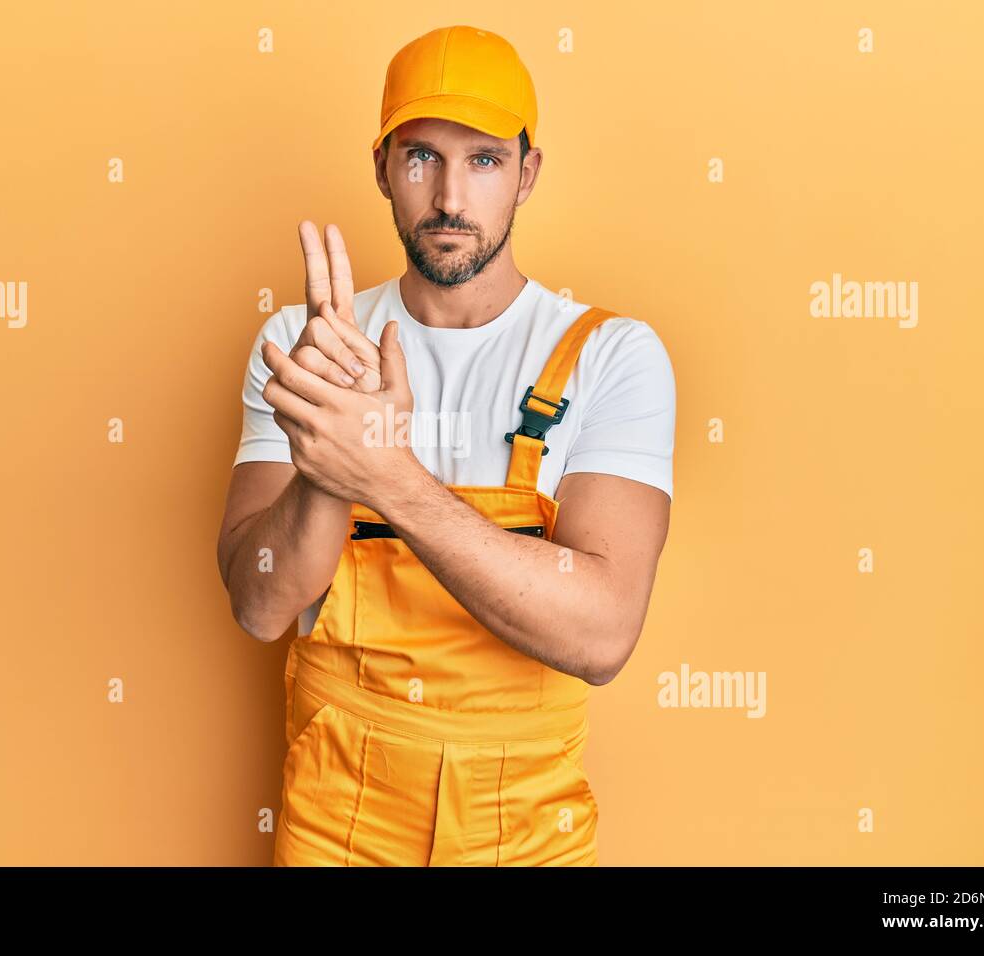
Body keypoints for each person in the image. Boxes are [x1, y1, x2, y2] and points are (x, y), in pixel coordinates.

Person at [217, 25, 675, 866]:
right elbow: (258, 606)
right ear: (384, 167)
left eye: (486, 160)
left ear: (527, 174)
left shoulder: (614, 356)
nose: (450, 197)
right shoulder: (305, 341)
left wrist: (384, 474)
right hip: (334, 818)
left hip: (528, 829)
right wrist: (327, 466)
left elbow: (603, 636)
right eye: (422, 157)